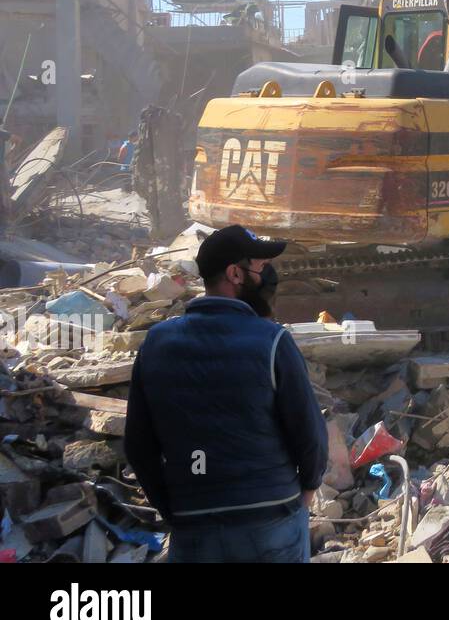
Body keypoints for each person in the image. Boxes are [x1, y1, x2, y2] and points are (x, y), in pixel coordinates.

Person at [124, 225, 328, 563]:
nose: (266, 278)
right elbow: (308, 433)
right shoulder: (272, 341)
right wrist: (306, 490)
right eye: (260, 268)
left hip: (194, 525)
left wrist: (175, 510)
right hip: (270, 520)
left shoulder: (156, 344)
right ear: (235, 273)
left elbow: (138, 446)